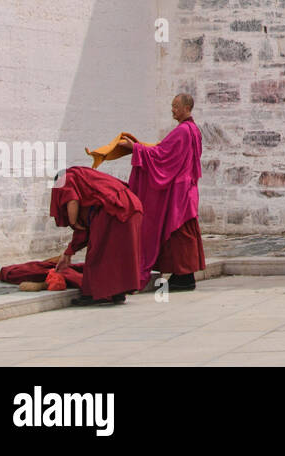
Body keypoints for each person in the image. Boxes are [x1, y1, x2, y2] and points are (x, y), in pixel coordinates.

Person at [118, 93, 204, 291]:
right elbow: (166, 152)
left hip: (180, 191)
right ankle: (184, 275)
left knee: (178, 230)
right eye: (172, 106)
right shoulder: (194, 130)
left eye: (175, 106)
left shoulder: (183, 131)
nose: (172, 110)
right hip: (187, 188)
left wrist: (136, 149)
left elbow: (162, 155)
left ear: (186, 108)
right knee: (182, 231)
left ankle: (184, 276)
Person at [50, 166, 144, 306]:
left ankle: (94, 294)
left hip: (114, 208)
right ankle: (117, 293)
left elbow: (72, 200)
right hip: (131, 205)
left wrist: (73, 222)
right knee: (118, 254)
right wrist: (68, 253)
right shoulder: (86, 178)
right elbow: (85, 231)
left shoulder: (66, 177)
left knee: (97, 253)